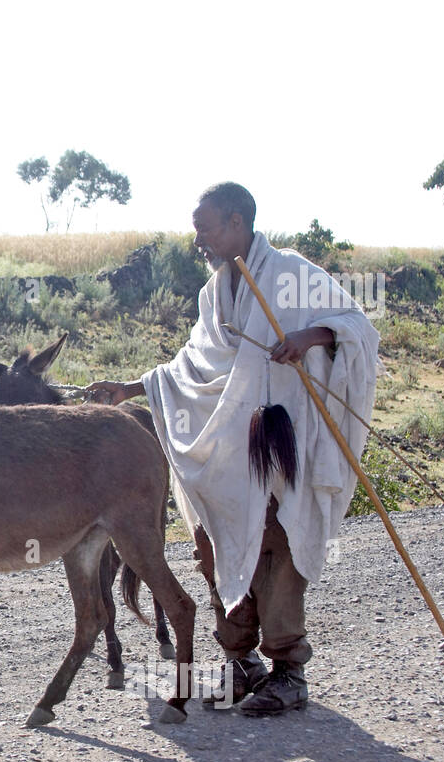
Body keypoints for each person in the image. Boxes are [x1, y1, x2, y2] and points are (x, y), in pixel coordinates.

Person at [87, 183, 380, 715]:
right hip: (229, 446)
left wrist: (309, 338)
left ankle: (290, 671)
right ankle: (241, 661)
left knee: (278, 543)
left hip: (285, 441)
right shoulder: (213, 292)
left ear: (238, 221)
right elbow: (190, 367)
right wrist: (130, 390)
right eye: (196, 228)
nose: (197, 238)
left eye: (206, 227)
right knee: (216, 539)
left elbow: (359, 328)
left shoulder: (292, 275)